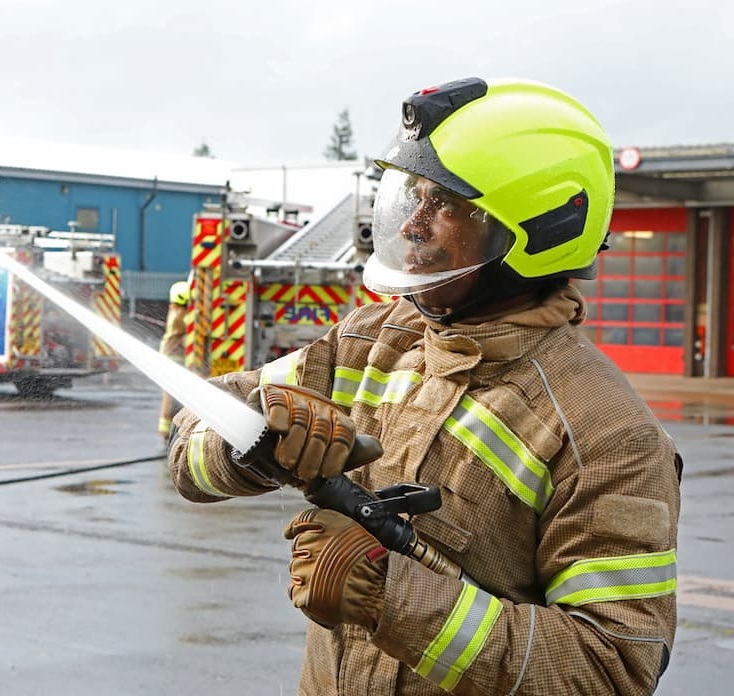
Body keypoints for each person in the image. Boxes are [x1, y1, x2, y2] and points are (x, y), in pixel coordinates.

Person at [167, 77, 681, 695]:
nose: (413, 225)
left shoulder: (608, 437)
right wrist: (253, 440)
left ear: (539, 231)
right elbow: (188, 445)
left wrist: (388, 593)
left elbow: (611, 669)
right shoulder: (369, 341)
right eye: (414, 196)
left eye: (448, 206)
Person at [158, 279, 191, 441]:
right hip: (173, 358)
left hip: (172, 357)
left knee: (171, 395)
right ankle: (165, 431)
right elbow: (189, 325)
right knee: (170, 397)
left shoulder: (175, 311)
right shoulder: (179, 314)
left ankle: (167, 429)